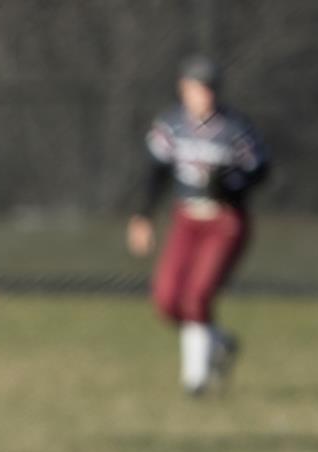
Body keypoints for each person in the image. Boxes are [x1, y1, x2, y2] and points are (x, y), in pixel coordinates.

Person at [127, 54, 270, 397]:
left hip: (224, 221)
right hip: (187, 218)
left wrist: (231, 184)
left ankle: (196, 381)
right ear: (184, 89)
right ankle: (218, 343)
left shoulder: (235, 129)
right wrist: (143, 216)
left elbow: (260, 170)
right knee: (167, 301)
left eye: (209, 88)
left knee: (197, 296)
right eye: (197, 88)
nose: (204, 95)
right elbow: (156, 172)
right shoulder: (173, 125)